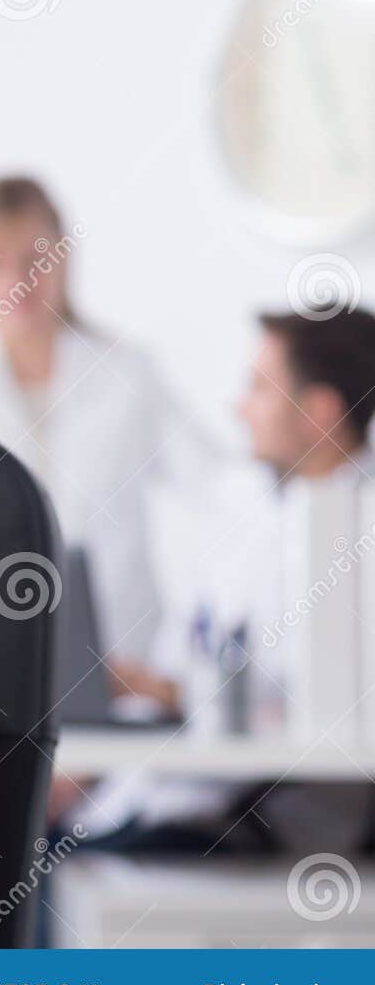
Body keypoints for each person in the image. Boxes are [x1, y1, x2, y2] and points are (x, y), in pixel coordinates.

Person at [59, 306, 375, 855]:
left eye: (259, 388)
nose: (239, 408)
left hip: (281, 806)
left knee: (80, 858)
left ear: (320, 411)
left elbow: (311, 705)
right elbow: (191, 653)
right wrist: (136, 702)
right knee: (33, 833)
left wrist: (171, 690)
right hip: (180, 784)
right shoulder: (246, 509)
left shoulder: (358, 528)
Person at [0, 176, 217, 684]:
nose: (19, 282)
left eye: (35, 260)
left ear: (64, 259)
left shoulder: (128, 374)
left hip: (126, 667)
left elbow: (219, 486)